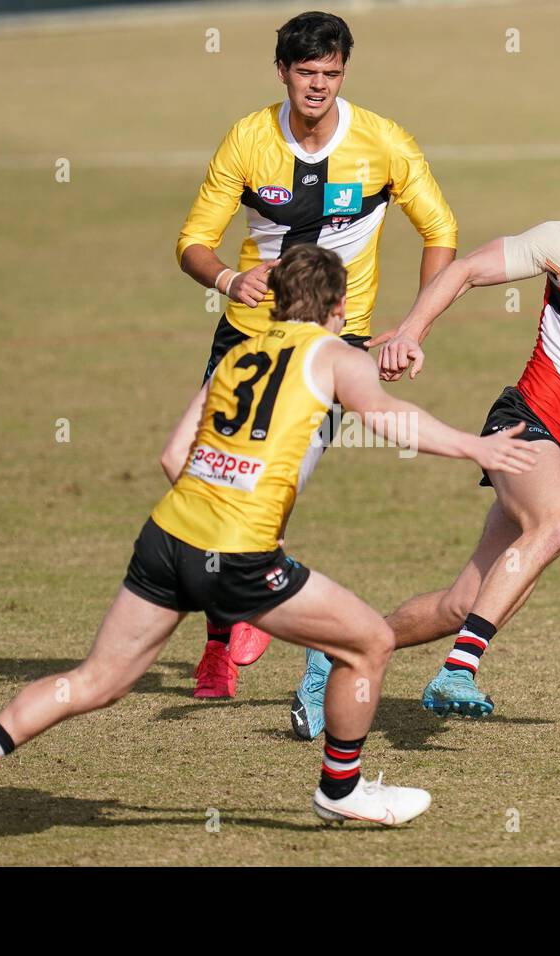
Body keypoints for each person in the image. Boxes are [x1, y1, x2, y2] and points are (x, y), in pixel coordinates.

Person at [0, 246, 537, 852]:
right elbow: (386, 416)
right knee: (369, 642)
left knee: (94, 681)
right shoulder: (338, 354)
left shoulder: (236, 357)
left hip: (167, 540)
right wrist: (475, 446)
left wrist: (218, 506)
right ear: (339, 306)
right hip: (236, 556)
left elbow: (173, 455)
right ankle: (340, 792)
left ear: (276, 303)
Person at [292, 127, 560, 725]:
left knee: (463, 603)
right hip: (528, 426)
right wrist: (411, 332)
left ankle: (339, 654)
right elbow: (463, 271)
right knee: (558, 524)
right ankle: (459, 671)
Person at [176, 11, 458, 702]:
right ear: (282, 71)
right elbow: (192, 241)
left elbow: (440, 230)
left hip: (334, 343)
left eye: (332, 73)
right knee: (204, 476)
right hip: (246, 333)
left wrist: (411, 329)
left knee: (275, 481)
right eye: (307, 72)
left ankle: (233, 629)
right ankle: (228, 632)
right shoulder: (247, 140)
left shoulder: (383, 143)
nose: (319, 87)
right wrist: (224, 278)